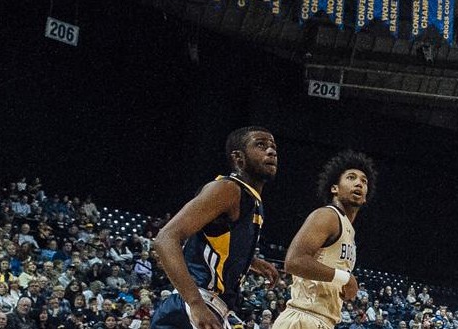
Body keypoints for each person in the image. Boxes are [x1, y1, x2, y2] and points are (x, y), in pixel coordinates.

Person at [150, 127, 280, 329]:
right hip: (195, 306)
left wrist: (249, 261)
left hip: (217, 308)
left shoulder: (251, 199)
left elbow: (214, 240)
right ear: (238, 158)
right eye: (261, 145)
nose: (271, 151)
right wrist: (195, 304)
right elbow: (165, 239)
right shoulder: (227, 189)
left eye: (273, 147)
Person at [272, 151, 377, 329]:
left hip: (322, 321)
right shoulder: (327, 215)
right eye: (351, 177)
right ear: (334, 188)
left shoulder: (348, 231)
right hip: (304, 318)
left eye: (364, 181)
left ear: (366, 196)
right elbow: (294, 261)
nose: (359, 183)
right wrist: (346, 279)